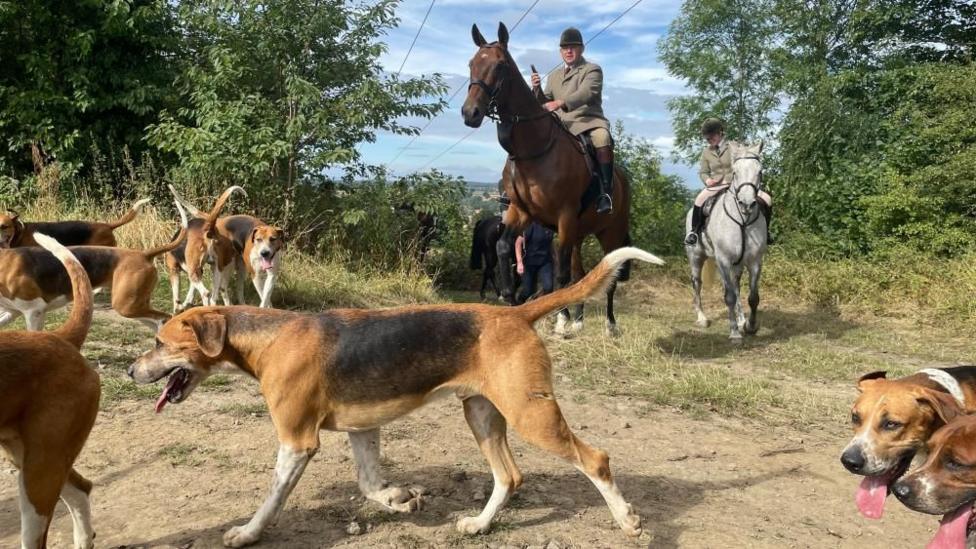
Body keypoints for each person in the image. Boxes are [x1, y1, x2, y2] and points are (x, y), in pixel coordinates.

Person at [530, 27, 615, 214]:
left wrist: (561, 102)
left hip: (588, 121)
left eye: (573, 47)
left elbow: (587, 93)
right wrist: (536, 89)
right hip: (562, 124)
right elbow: (545, 103)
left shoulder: (592, 70)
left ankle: (606, 192)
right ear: (560, 52)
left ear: (581, 49)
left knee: (602, 138)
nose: (568, 51)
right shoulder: (554, 76)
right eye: (565, 48)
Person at [684, 118, 773, 246]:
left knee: (767, 199)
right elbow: (703, 172)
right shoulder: (706, 152)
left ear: (720, 133)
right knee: (699, 200)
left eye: (712, 135)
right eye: (707, 137)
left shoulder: (734, 147)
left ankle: (766, 232)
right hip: (716, 185)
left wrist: (731, 179)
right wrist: (707, 180)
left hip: (738, 184)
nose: (709, 139)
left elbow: (743, 165)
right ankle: (695, 232)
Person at [515, 221, 555, 304]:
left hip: (545, 262)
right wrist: (519, 263)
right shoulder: (531, 225)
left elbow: (551, 245)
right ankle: (518, 303)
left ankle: (536, 303)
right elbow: (518, 243)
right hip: (529, 262)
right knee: (528, 291)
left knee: (548, 287)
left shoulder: (551, 226)